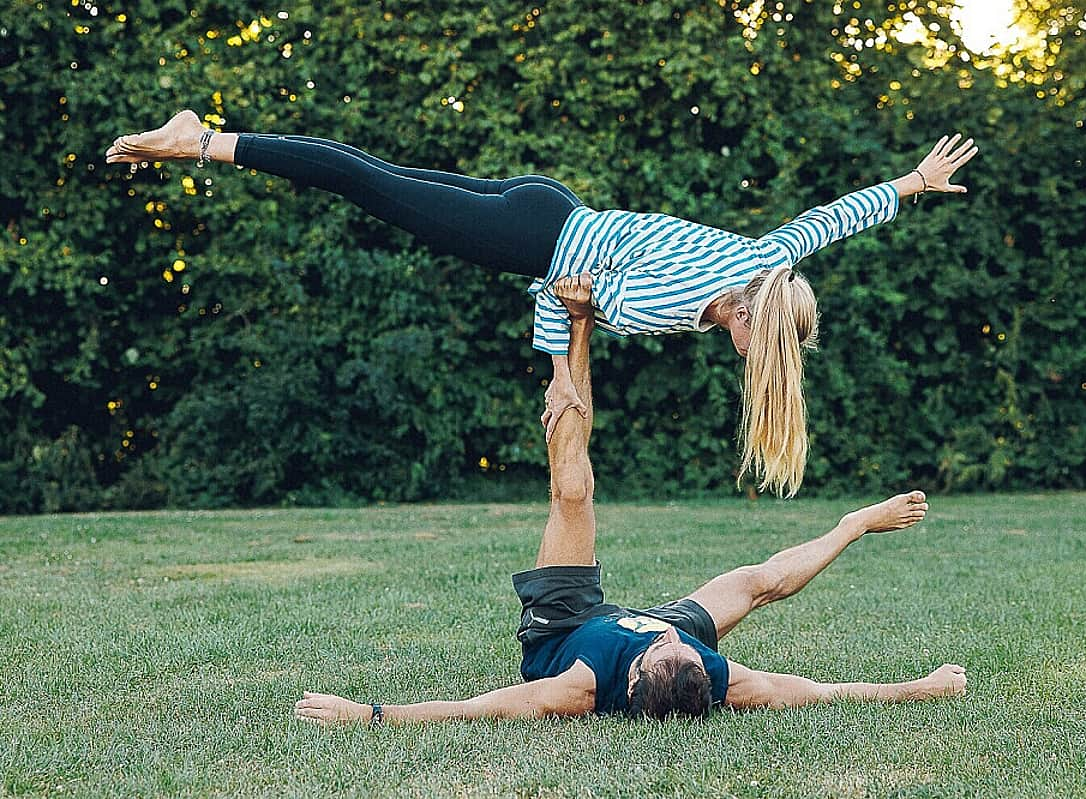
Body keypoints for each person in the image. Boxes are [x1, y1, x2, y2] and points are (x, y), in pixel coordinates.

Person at [106, 112, 978, 495]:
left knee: (391, 176)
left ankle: (208, 138)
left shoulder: (764, 257)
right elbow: (565, 295)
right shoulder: (681, 305)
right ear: (758, 326)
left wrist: (912, 182)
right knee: (367, 182)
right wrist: (563, 365)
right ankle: (206, 142)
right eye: (773, 353)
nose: (764, 364)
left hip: (550, 204)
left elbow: (834, 218)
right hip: (538, 242)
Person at [292, 276, 966, 725]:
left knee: (573, 490)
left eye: (667, 648)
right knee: (761, 584)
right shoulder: (704, 668)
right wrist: (919, 687)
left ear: (642, 672)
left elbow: (479, 707)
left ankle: (576, 326)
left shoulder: (577, 687)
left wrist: (369, 713)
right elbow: (819, 691)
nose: (678, 640)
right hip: (630, 624)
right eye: (687, 646)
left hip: (564, 625)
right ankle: (852, 522)